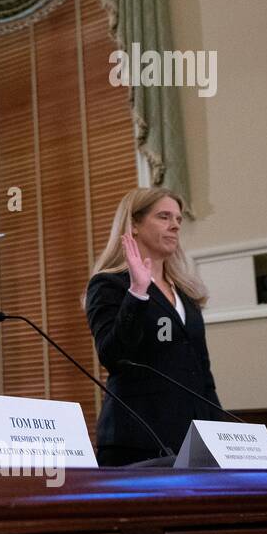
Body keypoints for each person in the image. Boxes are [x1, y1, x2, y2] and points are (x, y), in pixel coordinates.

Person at [85, 188, 219, 466]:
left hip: (192, 439)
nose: (175, 225)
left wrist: (220, 432)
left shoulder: (186, 292)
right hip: (137, 440)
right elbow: (113, 356)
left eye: (178, 219)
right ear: (134, 224)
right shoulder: (109, 284)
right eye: (164, 217)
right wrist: (137, 292)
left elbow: (202, 371)